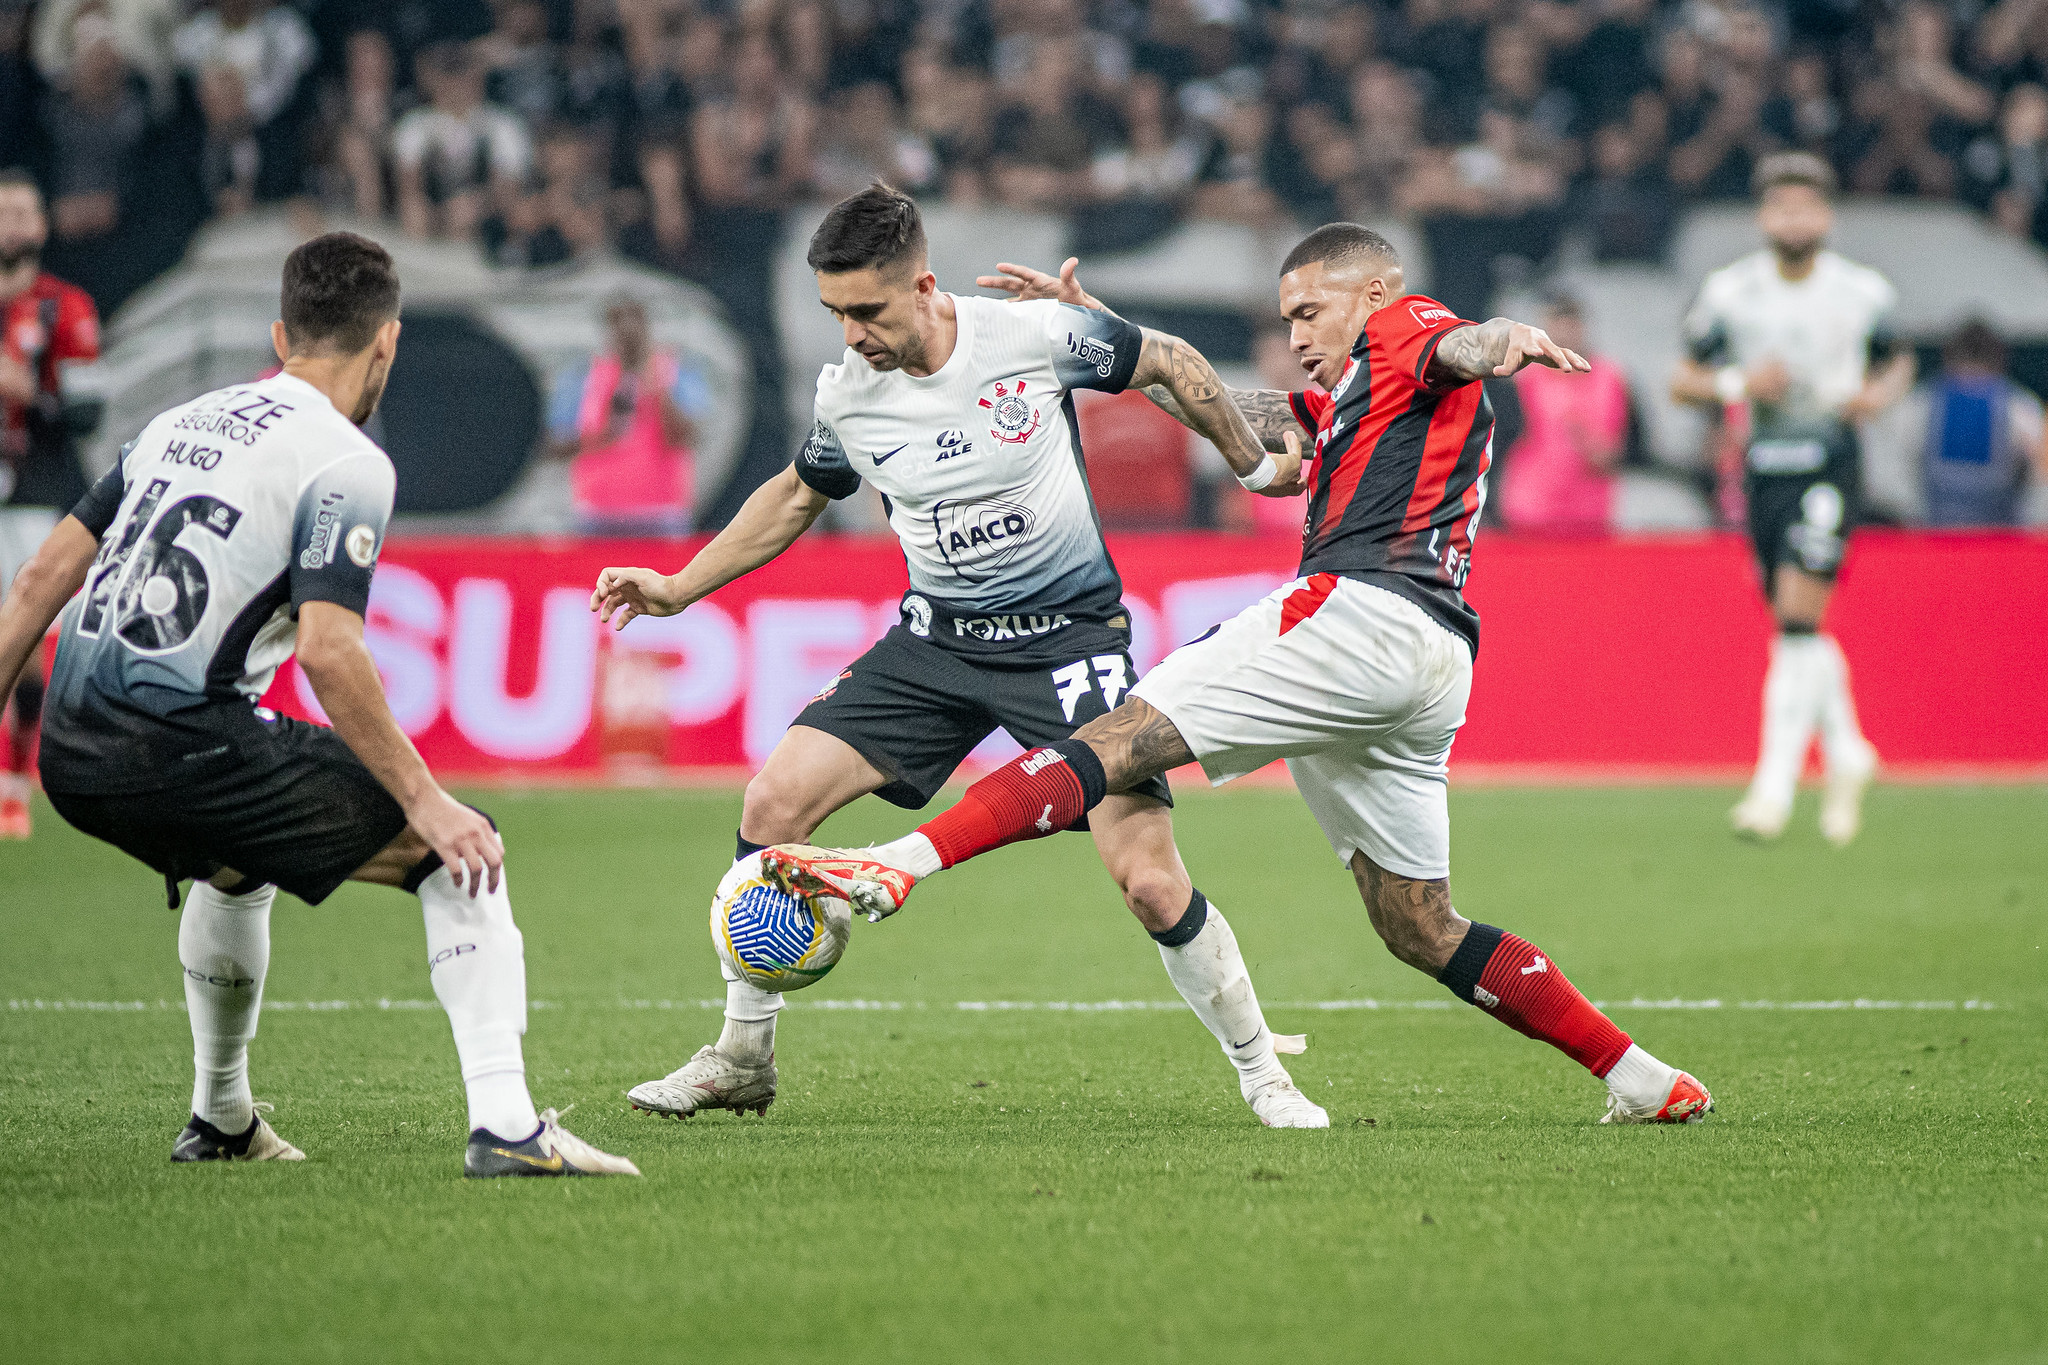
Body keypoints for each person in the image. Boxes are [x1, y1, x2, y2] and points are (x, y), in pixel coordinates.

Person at [764, 223, 1718, 1127]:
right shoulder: (1350, 401)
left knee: (1115, 738)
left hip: (1361, 616)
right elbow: (1227, 408)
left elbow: (1459, 344)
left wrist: (1504, 338)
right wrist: (1105, 341)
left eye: (1309, 311)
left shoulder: (1404, 328)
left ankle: (898, 865)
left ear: (1374, 292)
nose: (1294, 334)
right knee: (1420, 925)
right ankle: (1643, 1078)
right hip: (1430, 660)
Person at [590, 184, 1329, 1129]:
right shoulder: (850, 394)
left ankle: (1264, 1071)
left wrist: (1256, 466)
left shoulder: (1029, 338)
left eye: (866, 311)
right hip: (935, 643)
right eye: (834, 314)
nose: (850, 334)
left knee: (1147, 877)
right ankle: (743, 1053)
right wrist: (679, 586)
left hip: (1066, 640)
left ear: (924, 286)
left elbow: (1174, 362)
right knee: (772, 803)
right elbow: (794, 495)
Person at [0, 232, 636, 1178]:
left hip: (71, 747)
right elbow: (333, 654)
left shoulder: (175, 424)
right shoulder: (347, 461)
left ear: (279, 332)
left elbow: (43, 574)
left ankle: (222, 1119)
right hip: (179, 741)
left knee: (234, 862)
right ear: (388, 344)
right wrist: (429, 802)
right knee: (460, 853)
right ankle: (508, 1124)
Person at [1670, 153, 1913, 846]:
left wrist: (1878, 395)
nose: (1794, 219)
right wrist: (1739, 384)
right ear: (1763, 217)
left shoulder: (1861, 291)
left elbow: (1897, 359)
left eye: (1806, 207)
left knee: (1798, 622)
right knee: (1792, 621)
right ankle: (1848, 749)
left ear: (1827, 217)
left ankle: (1772, 788)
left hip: (1830, 461)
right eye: (1781, 208)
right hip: (1764, 467)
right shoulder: (1732, 292)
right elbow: (1682, 378)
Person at [0, 170, 97, 839]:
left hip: (33, 487)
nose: (11, 221)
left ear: (41, 226)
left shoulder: (67, 307)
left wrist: (28, 392)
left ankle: (14, 780)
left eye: (22, 210)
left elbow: (88, 413)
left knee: (23, 637)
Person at [548, 296, 707, 535]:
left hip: (661, 515)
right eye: (618, 323)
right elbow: (555, 446)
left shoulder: (675, 371)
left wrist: (657, 389)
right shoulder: (583, 375)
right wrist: (604, 434)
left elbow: (685, 436)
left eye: (635, 322)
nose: (627, 332)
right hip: (597, 515)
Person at [1500, 292, 1629, 534]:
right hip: (1531, 510)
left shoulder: (1608, 379)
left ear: (1582, 329)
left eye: (1570, 329)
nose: (1563, 337)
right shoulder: (1524, 380)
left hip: (1588, 513)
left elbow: (1615, 453)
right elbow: (1505, 440)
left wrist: (1588, 441)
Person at [1915, 319, 2046, 526]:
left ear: (1947, 357)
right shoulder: (2020, 407)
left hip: (1938, 534)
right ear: (2000, 360)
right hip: (1999, 540)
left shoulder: (1920, 403)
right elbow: (2039, 473)